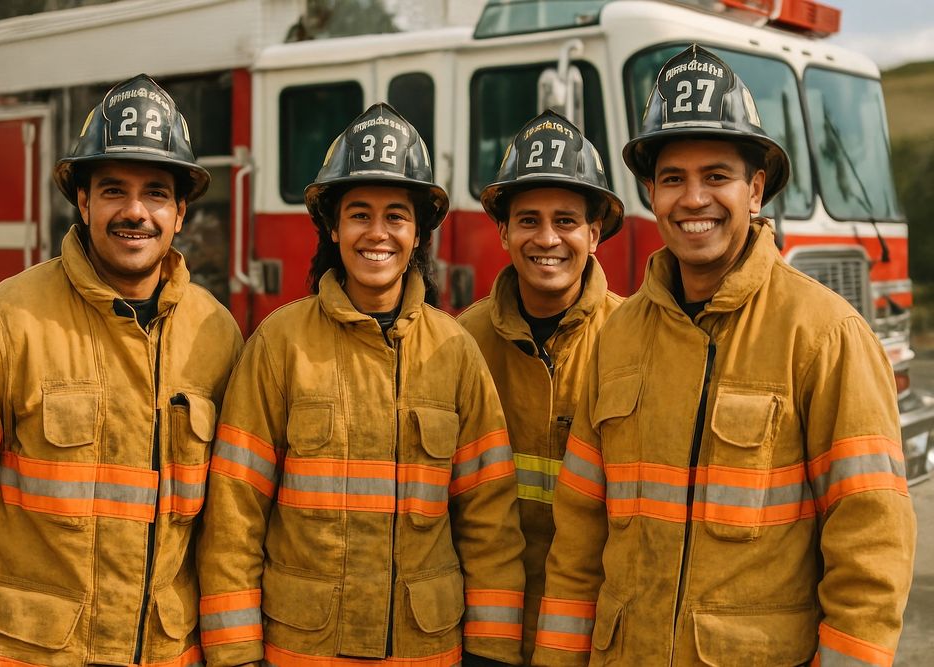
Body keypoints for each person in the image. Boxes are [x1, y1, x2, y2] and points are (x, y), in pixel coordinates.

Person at [532, 45, 916, 666]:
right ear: (651, 194)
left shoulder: (824, 334)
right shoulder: (618, 338)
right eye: (673, 179)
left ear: (755, 189)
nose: (693, 199)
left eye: (717, 176)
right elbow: (579, 537)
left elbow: (870, 544)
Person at [197, 103, 526, 667]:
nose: (378, 234)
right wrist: (236, 654)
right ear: (333, 226)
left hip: (426, 653)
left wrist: (491, 654)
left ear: (419, 232)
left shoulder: (455, 353)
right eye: (359, 215)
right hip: (302, 651)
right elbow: (235, 515)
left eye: (396, 216)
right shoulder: (280, 344)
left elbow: (489, 523)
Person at [0, 74, 242, 667]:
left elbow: (230, 526)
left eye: (155, 192)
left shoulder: (216, 335)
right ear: (82, 201)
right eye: (112, 191)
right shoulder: (5, 322)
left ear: (180, 212)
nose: (135, 212)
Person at [457, 110, 623, 664]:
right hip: (485, 626)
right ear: (502, 231)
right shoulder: (459, 344)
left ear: (594, 233)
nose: (547, 238)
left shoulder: (636, 341)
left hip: (602, 628)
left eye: (567, 221)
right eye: (528, 220)